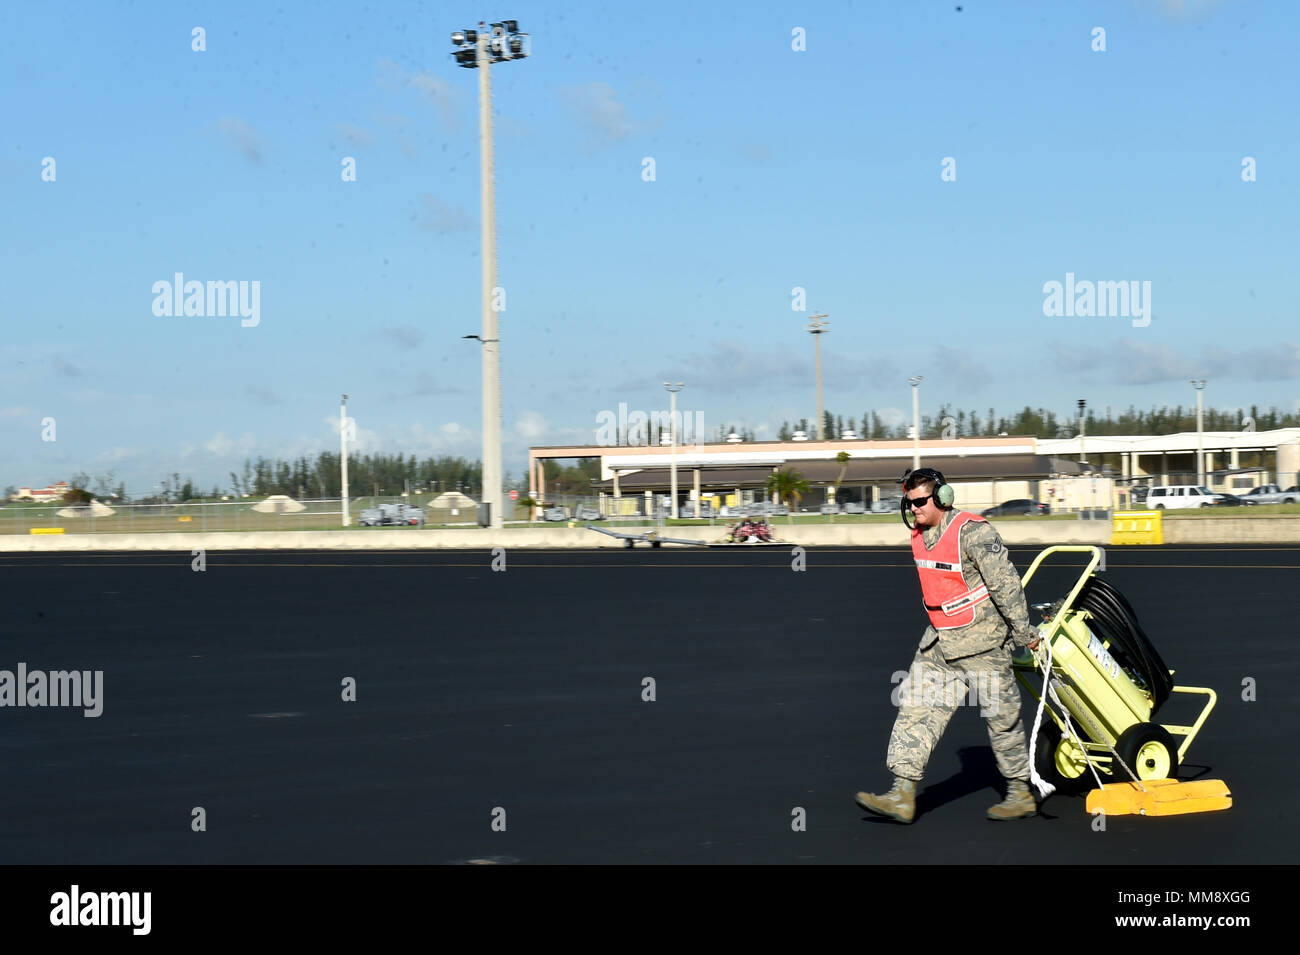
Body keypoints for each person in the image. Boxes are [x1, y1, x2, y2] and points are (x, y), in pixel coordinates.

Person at [855, 467, 1041, 823]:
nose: (914, 509)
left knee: (1002, 718)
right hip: (940, 642)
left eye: (921, 501)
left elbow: (1006, 586)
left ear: (943, 498)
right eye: (909, 503)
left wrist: (1023, 633)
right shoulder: (919, 534)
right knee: (916, 709)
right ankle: (902, 795)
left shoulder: (973, 533)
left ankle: (1020, 793)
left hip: (983, 642)